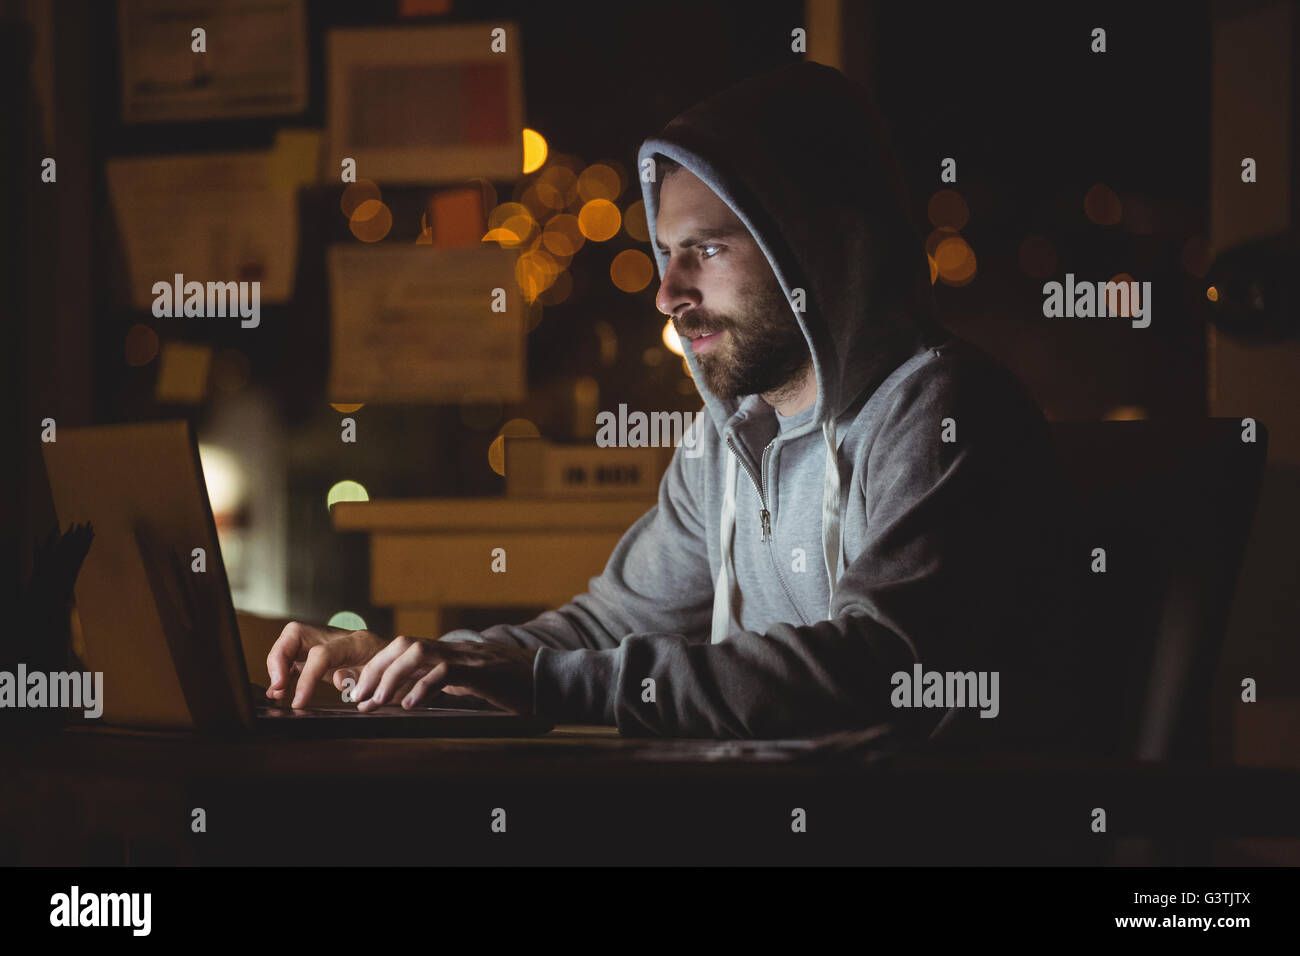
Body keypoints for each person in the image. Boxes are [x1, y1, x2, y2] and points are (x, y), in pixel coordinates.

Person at [267, 61, 1080, 745]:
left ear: (820, 247)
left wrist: (551, 684)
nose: (666, 292)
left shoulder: (938, 410)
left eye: (709, 249)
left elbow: (881, 666)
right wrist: (413, 660)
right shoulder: (727, 440)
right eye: (664, 253)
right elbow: (604, 631)